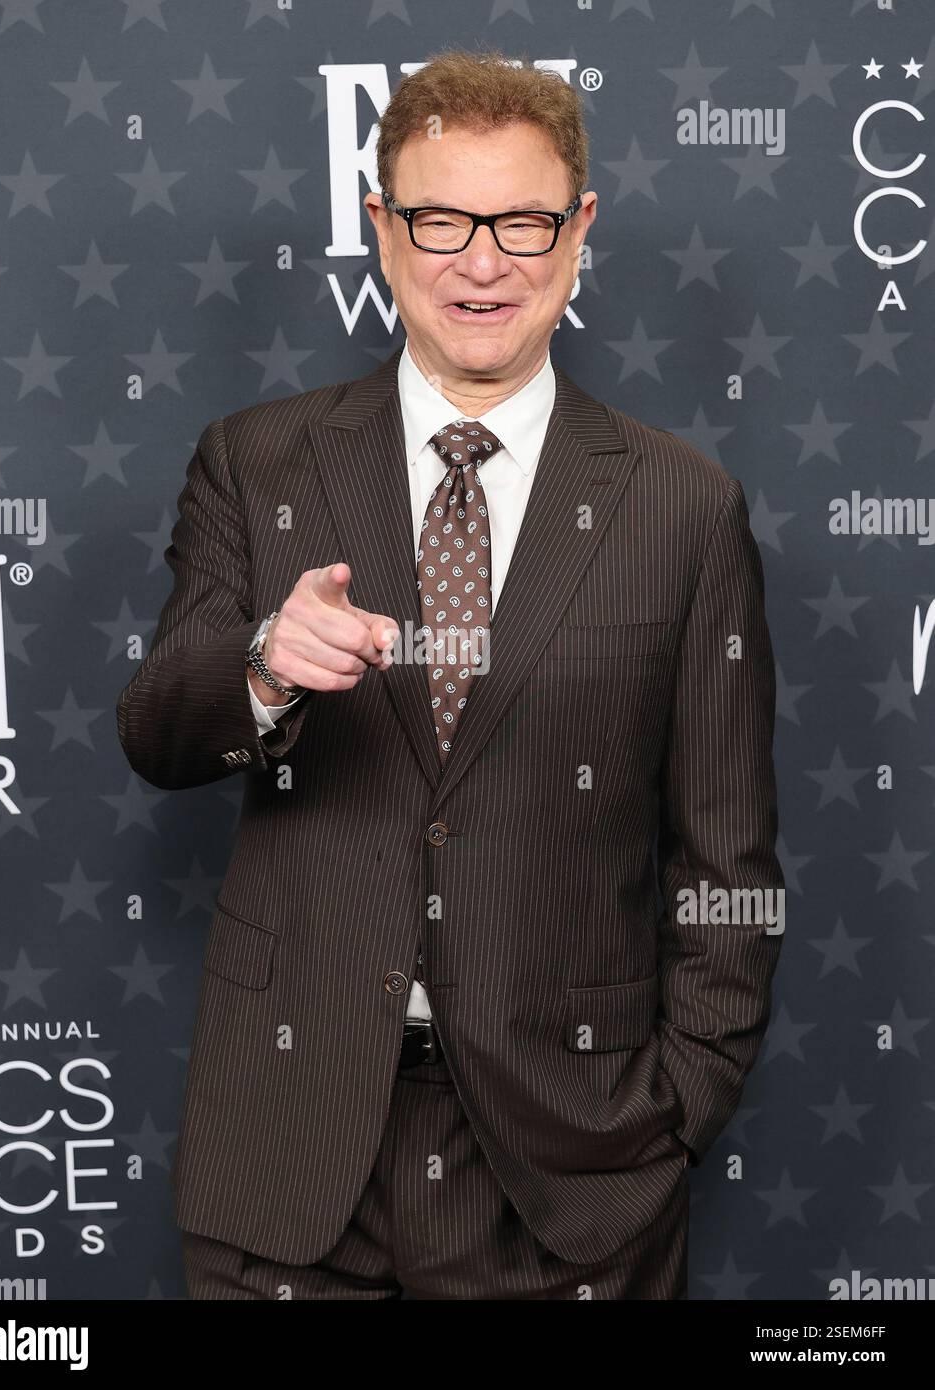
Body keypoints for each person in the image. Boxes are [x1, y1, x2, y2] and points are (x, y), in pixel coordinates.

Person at [116, 47, 784, 1300]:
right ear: (380, 229)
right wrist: (262, 668)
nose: (482, 262)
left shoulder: (683, 508)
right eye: (440, 219)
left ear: (578, 232)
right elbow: (154, 731)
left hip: (571, 1173)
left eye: (522, 220)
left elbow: (726, 868)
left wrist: (673, 1112)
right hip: (292, 1157)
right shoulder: (257, 461)